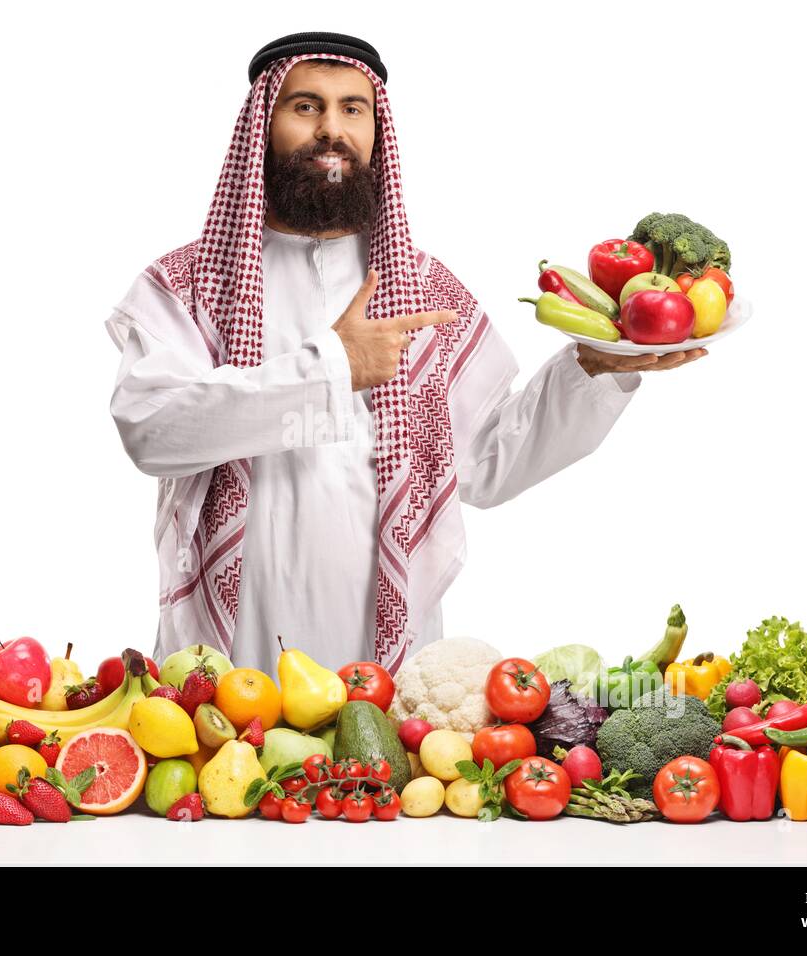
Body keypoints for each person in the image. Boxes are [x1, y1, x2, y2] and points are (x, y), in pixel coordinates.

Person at [105, 33, 705, 677]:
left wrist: (590, 370)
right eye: (305, 106)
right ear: (261, 125)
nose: (331, 129)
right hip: (228, 662)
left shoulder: (423, 290)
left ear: (375, 129)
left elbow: (484, 464)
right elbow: (154, 431)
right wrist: (333, 367)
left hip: (387, 663)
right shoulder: (188, 284)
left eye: (352, 109)